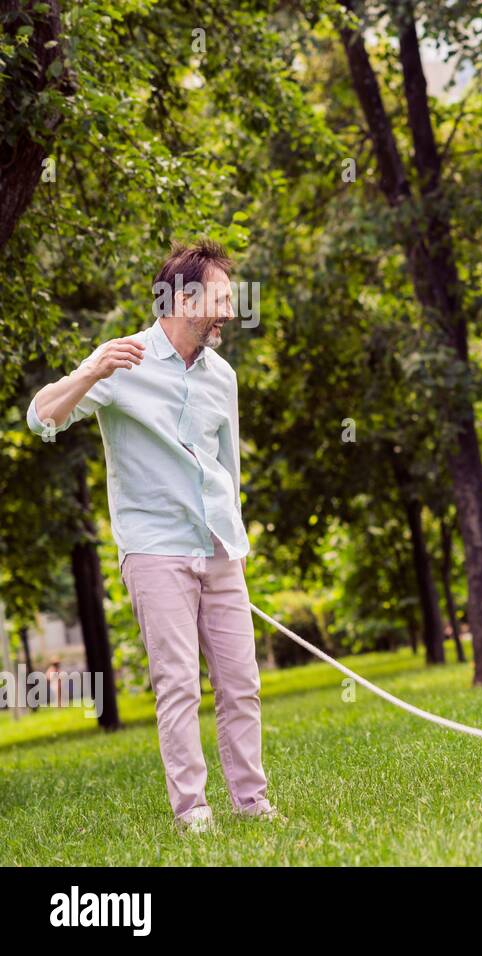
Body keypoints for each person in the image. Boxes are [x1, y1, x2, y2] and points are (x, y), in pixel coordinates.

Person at [26, 239, 275, 833]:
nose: (228, 311)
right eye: (219, 298)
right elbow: (41, 420)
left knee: (242, 684)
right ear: (184, 299)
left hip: (218, 549)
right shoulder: (124, 360)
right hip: (155, 547)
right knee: (178, 685)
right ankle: (193, 811)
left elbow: (228, 468)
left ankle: (253, 802)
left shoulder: (223, 378)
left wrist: (235, 547)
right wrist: (91, 370)